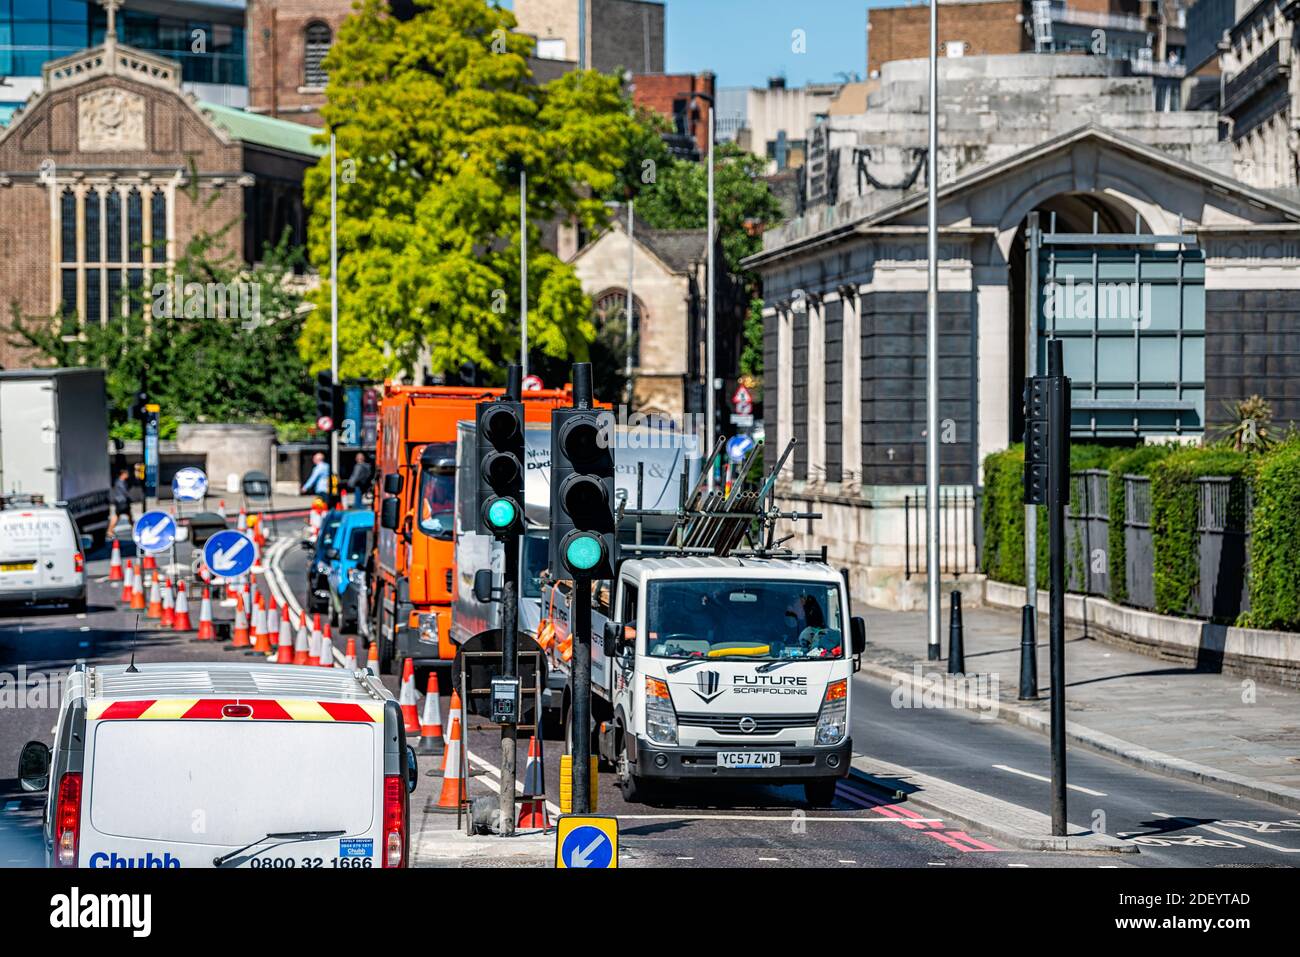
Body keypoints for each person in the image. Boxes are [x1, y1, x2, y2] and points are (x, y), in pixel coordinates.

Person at [110, 469, 132, 539]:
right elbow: (125, 492)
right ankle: (110, 530)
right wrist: (129, 497)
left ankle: (109, 531)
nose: (127, 475)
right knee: (118, 516)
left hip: (121, 502)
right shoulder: (120, 482)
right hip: (121, 502)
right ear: (123, 474)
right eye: (126, 474)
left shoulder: (120, 482)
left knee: (127, 516)